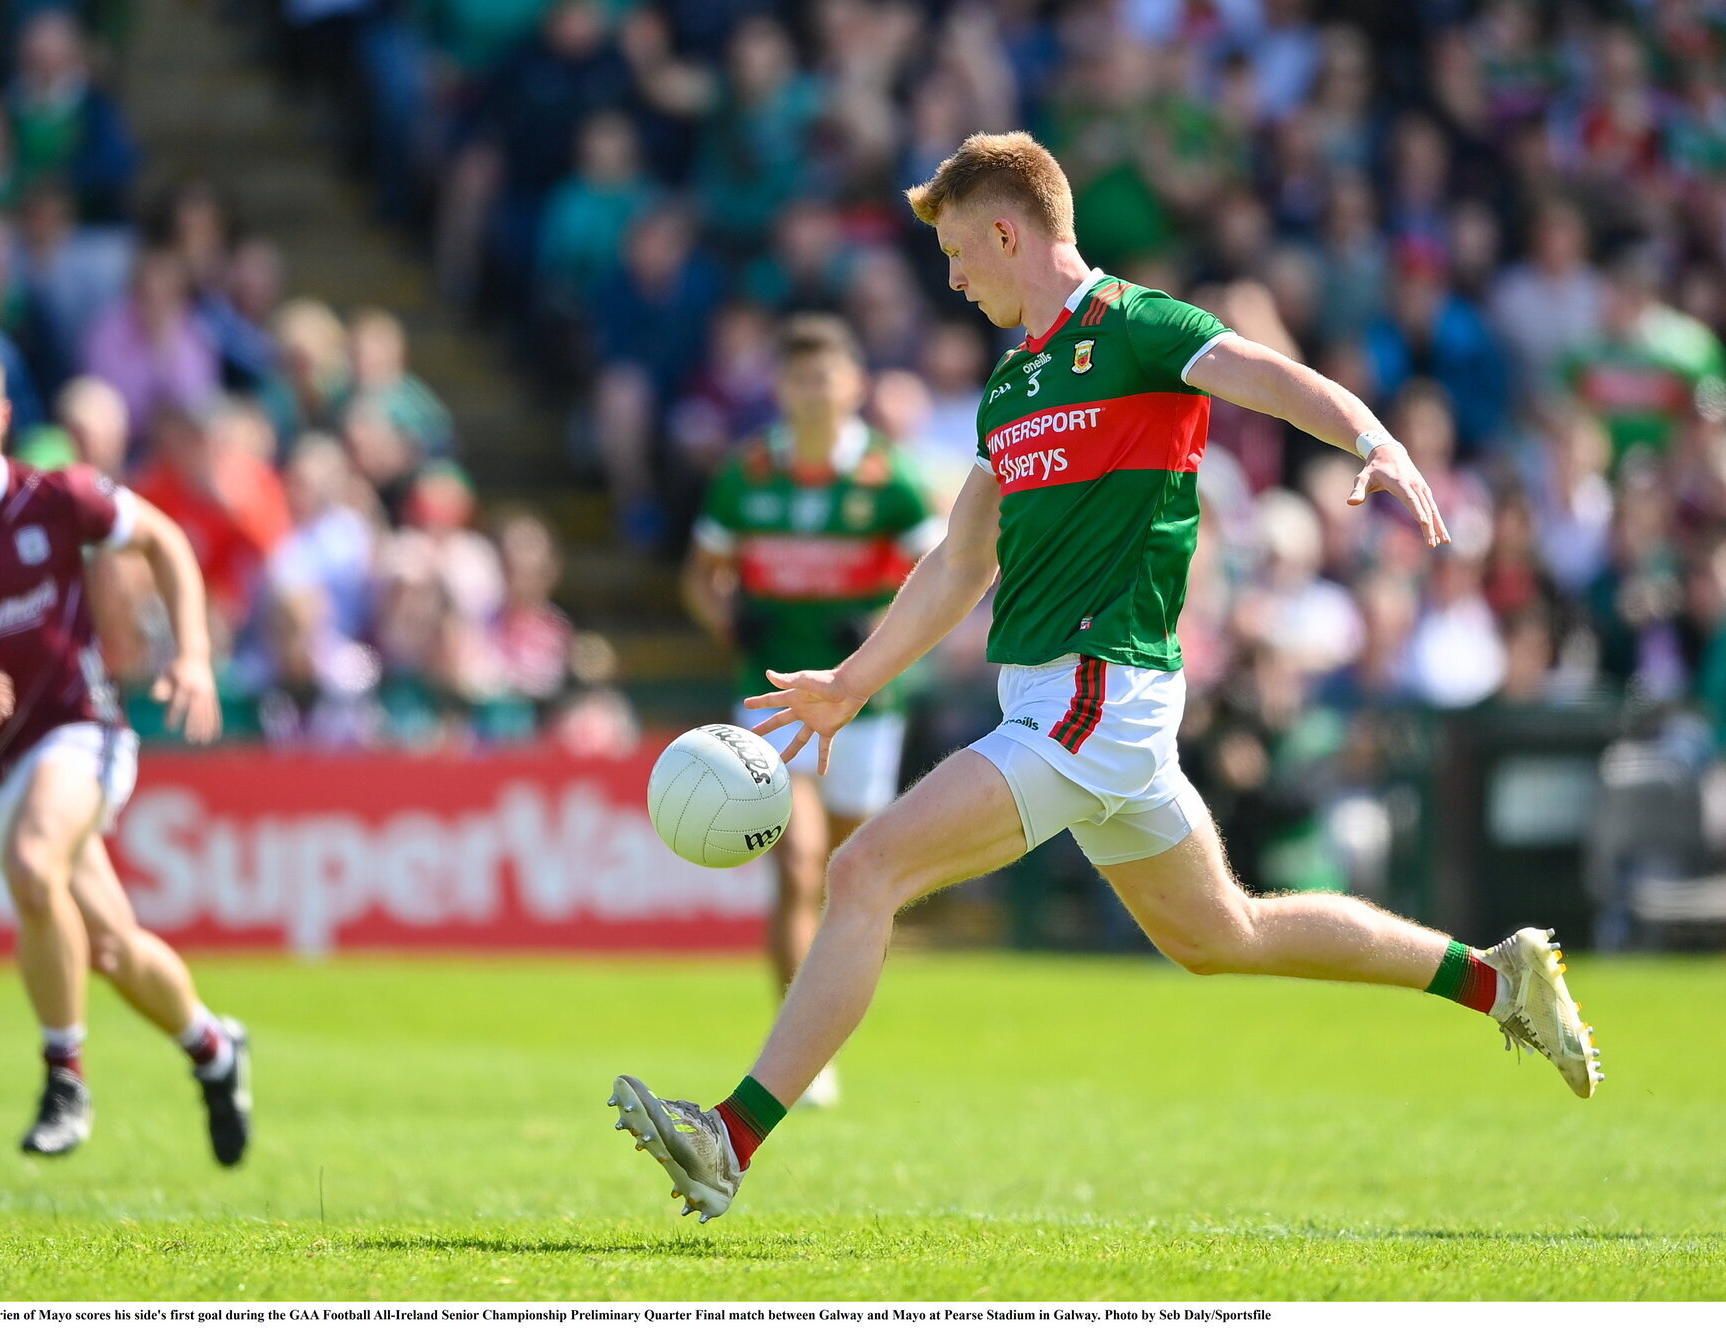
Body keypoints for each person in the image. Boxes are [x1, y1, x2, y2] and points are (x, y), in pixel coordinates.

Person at [609, 132, 1601, 1223]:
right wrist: (851, 682)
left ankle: (729, 1138)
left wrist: (1369, 437)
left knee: (864, 871)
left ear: (1006, 232)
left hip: (1096, 693)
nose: (953, 279)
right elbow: (960, 561)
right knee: (1221, 935)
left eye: (957, 252)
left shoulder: (1134, 325)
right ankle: (1496, 978)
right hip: (1066, 704)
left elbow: (1266, 377)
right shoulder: (1010, 385)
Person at [0, 340, 252, 1164]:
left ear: (1, 416)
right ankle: (214, 1047)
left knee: (35, 867)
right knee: (111, 947)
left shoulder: (56, 496)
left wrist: (194, 655)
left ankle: (65, 1079)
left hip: (80, 727)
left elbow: (165, 540)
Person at [680, 313, 941, 1109]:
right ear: (780, 389)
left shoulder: (889, 479)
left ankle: (821, 1032)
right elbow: (701, 576)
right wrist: (729, 623)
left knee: (853, 879)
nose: (813, 394)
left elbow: (941, 576)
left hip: (866, 705)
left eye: (825, 379)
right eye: (798, 380)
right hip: (772, 705)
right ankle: (796, 1052)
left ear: (855, 386)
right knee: (797, 864)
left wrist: (879, 634)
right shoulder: (748, 472)